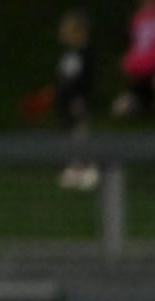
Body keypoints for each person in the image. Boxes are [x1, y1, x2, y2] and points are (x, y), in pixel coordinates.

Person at [53, 9, 99, 190]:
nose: (64, 34)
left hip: (78, 102)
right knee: (69, 134)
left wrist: (80, 99)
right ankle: (73, 169)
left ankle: (89, 170)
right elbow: (63, 78)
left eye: (69, 30)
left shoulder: (86, 53)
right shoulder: (69, 54)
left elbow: (85, 81)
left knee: (80, 134)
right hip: (66, 103)